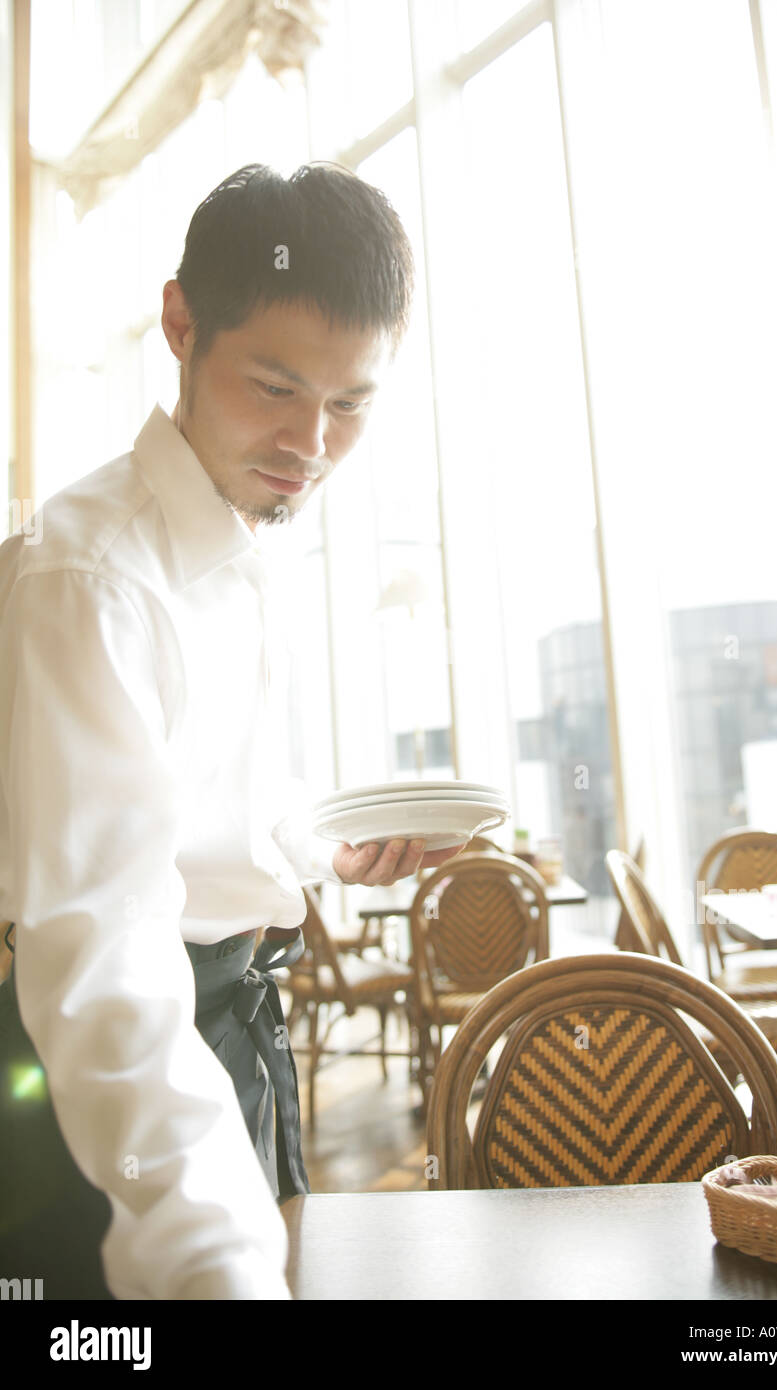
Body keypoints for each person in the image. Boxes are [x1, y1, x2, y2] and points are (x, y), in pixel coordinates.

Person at [0, 162, 463, 1301]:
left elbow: (207, 788)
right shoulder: (89, 577)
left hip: (240, 1032)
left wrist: (317, 850)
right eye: (273, 385)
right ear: (179, 324)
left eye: (350, 403)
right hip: (120, 1069)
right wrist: (213, 1260)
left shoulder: (235, 533)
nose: (309, 440)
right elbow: (103, 947)